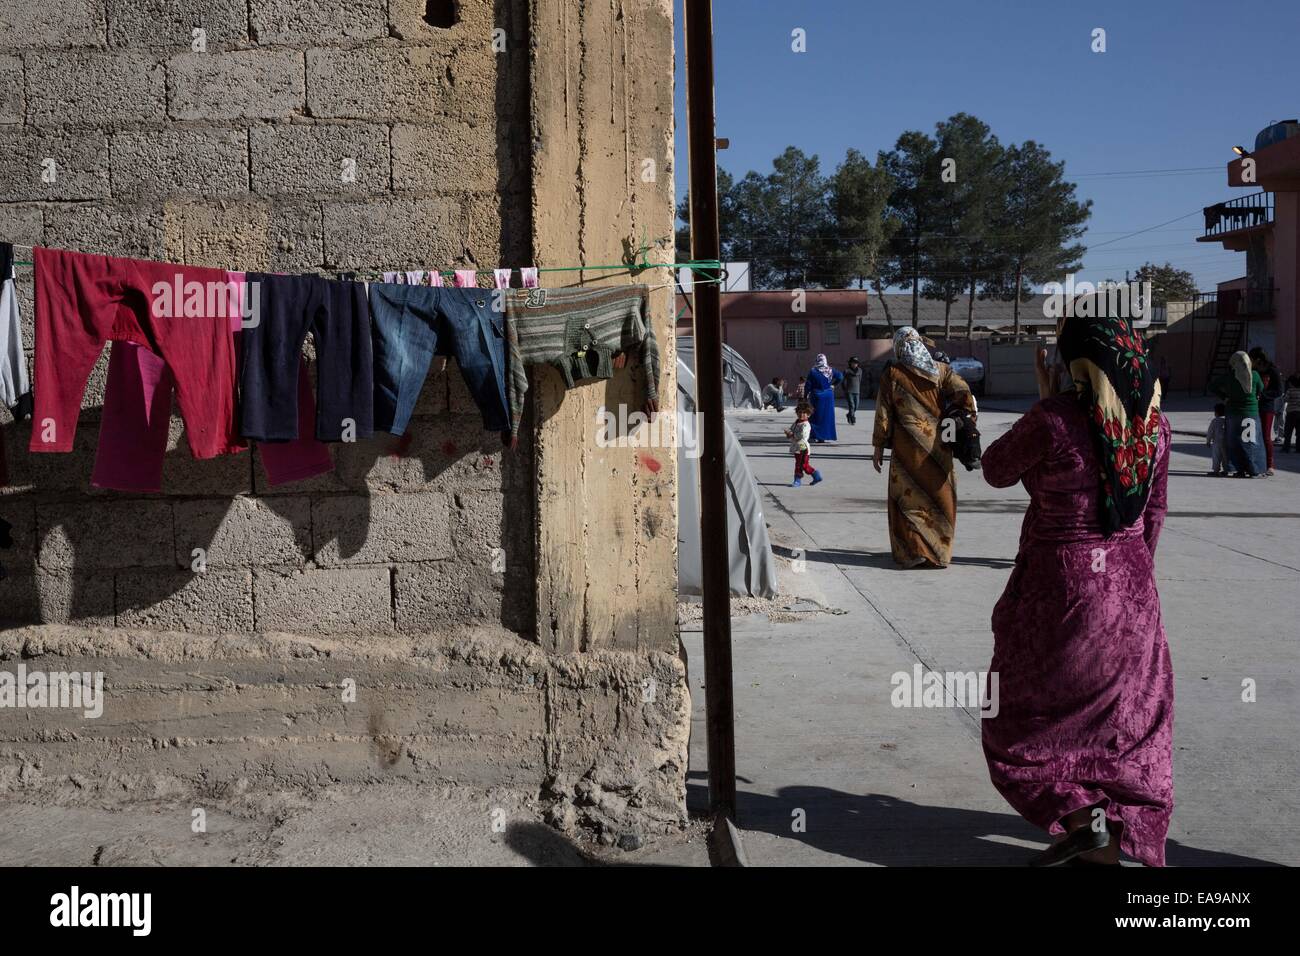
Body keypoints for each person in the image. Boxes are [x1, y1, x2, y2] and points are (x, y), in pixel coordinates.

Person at [980, 307, 1173, 867]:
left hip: (1060, 587)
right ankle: (1104, 839)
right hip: (1132, 589)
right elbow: (1153, 513)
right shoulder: (1154, 425)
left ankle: (1083, 822)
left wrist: (1045, 400)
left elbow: (995, 467)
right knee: (1120, 726)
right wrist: (1134, 583)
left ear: (1074, 365)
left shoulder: (1055, 420)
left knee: (1028, 721)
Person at [871, 327, 975, 568]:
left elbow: (883, 412)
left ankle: (912, 553)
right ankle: (938, 554)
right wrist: (959, 422)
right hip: (939, 449)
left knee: (908, 501)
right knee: (938, 499)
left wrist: (878, 447)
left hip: (906, 451)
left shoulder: (893, 374)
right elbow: (966, 397)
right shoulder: (942, 371)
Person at [1210, 351, 1266, 478]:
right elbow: (1261, 389)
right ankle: (1254, 470)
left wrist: (1224, 397)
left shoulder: (1229, 377)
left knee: (1235, 442)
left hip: (1233, 414)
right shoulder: (1255, 375)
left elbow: (1212, 386)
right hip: (1251, 413)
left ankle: (1238, 470)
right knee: (1252, 443)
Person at [1249, 347, 1282, 475]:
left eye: (1251, 359)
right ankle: (1256, 463)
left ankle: (1270, 465)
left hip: (1267, 408)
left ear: (1258, 359)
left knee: (1265, 436)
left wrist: (1263, 396)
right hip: (1252, 407)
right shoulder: (1253, 370)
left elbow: (1278, 391)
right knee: (1254, 436)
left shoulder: (1272, 371)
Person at [805, 354, 843, 442]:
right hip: (828, 396)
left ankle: (815, 435)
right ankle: (824, 436)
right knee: (827, 416)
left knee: (815, 415)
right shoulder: (830, 370)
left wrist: (805, 396)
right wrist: (833, 385)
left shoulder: (813, 371)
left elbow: (808, 385)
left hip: (817, 395)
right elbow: (840, 377)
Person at [785, 401, 822, 487]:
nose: (802, 414)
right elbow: (791, 430)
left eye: (804, 413)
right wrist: (788, 433)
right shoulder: (797, 422)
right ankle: (815, 476)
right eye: (800, 412)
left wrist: (792, 435)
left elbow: (802, 435)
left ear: (808, 415)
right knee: (800, 464)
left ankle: (798, 480)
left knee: (802, 465)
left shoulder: (806, 425)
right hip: (797, 447)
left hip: (803, 448)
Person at [1206, 402, 1228, 476]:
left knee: (1216, 457)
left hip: (1217, 442)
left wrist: (1208, 441)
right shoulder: (1227, 420)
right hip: (1226, 442)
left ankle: (1216, 470)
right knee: (1225, 457)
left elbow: (1210, 431)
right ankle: (1226, 470)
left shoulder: (1215, 421)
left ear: (1216, 413)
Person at [842, 357, 863, 425]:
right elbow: (843, 381)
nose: (855, 364)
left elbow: (860, 380)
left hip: (857, 391)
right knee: (852, 406)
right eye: (853, 363)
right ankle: (852, 419)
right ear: (850, 363)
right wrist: (845, 389)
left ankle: (849, 414)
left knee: (856, 406)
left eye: (856, 363)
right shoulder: (846, 371)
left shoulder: (860, 370)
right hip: (849, 391)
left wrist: (858, 388)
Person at [1283, 374, 1300, 453]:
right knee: (1299, 432)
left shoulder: (1290, 390)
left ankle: (1286, 448)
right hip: (1299, 413)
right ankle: (1298, 448)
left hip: (1291, 413)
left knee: (1288, 431)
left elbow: (1285, 400)